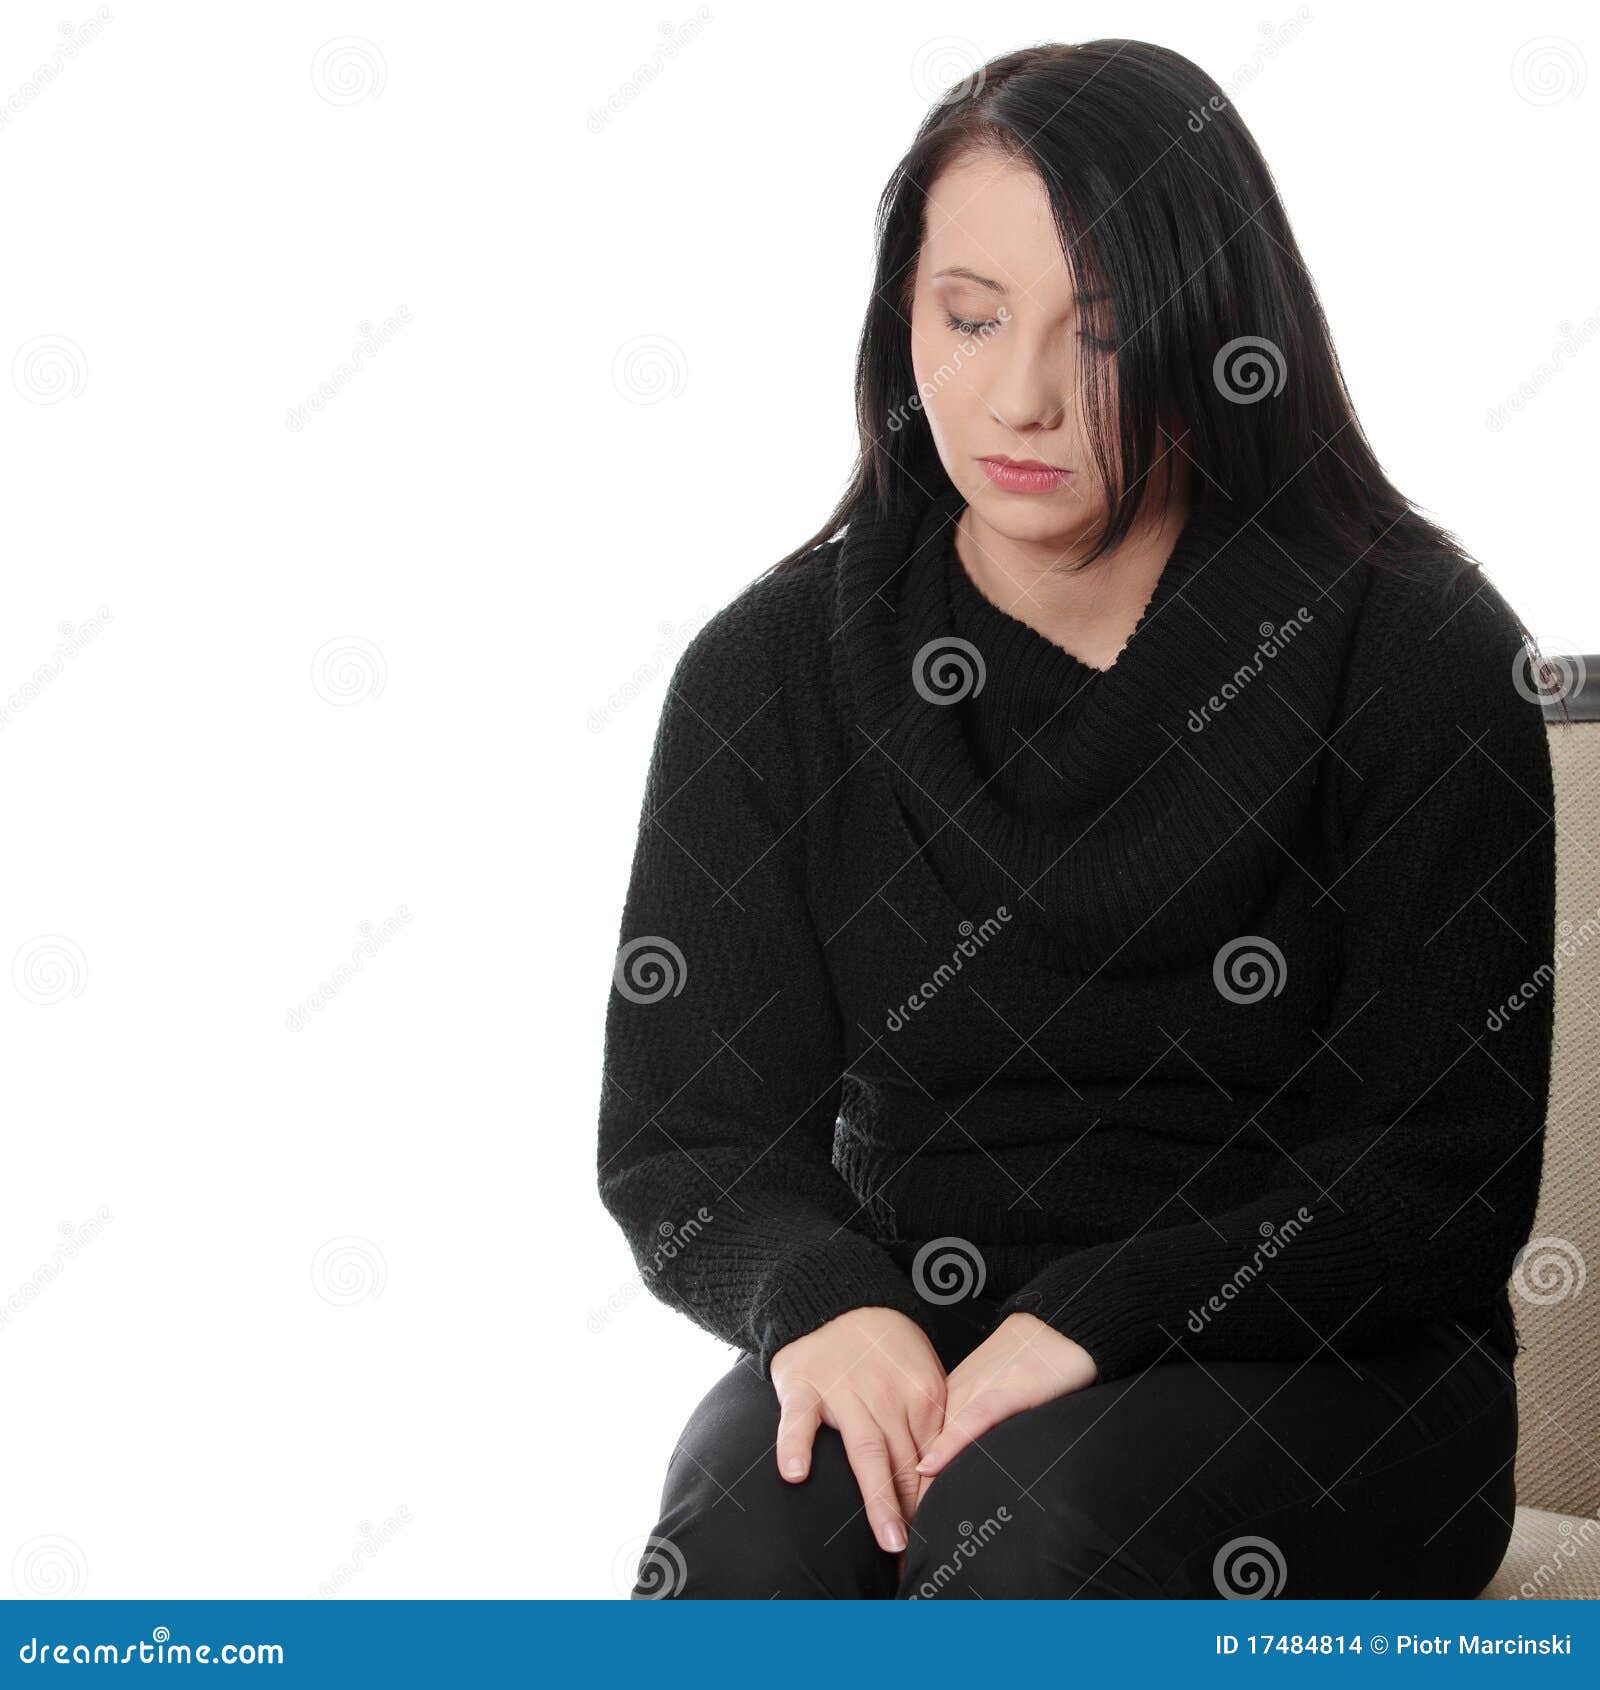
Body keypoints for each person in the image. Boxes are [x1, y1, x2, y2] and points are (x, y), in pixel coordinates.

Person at [596, 38, 1561, 1599]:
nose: (1021, 393)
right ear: (902, 312)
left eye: (1100, 333)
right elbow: (688, 1133)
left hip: (1333, 1365)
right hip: (926, 1330)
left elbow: (1439, 1174)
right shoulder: (770, 669)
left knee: (1029, 1527)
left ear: (1215, 337)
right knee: (743, 1543)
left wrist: (1103, 1314)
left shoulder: (1414, 645)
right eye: (969, 318)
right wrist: (823, 1297)